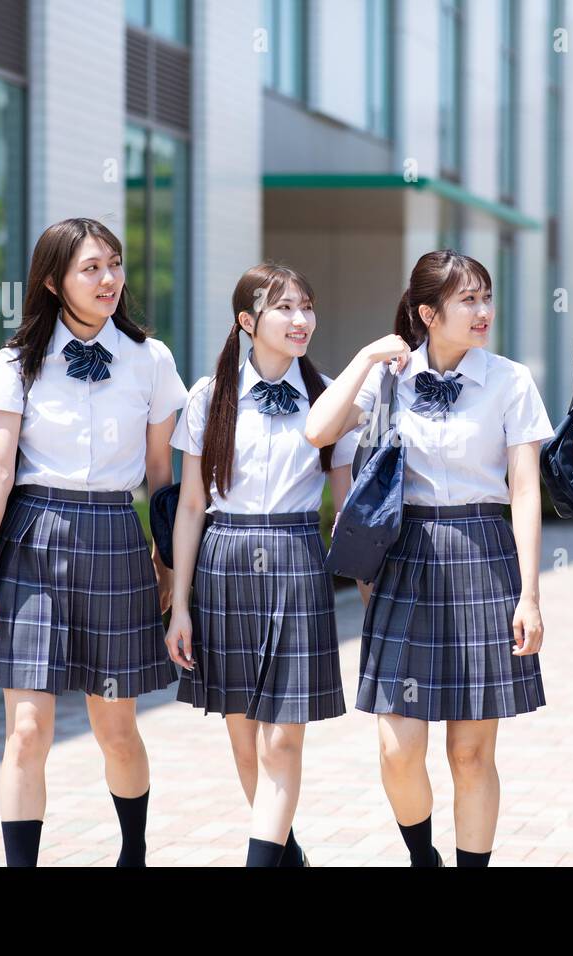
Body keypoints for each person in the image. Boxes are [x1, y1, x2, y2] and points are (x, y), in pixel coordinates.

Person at [305, 250, 553, 867]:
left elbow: (524, 489)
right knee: (397, 748)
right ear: (427, 312)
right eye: (467, 299)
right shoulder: (389, 377)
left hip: (482, 556)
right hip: (406, 560)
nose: (483, 311)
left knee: (470, 755)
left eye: (485, 297)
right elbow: (318, 430)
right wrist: (365, 357)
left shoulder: (509, 379)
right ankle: (424, 858)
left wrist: (530, 594)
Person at [0, 217, 188, 867]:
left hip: (116, 538)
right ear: (53, 280)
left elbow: (159, 476)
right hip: (32, 539)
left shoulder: (151, 359)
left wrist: (167, 559)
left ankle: (133, 854)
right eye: (91, 267)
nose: (109, 278)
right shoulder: (17, 360)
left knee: (115, 728)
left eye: (115, 264)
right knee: (27, 729)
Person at [164, 263, 357, 867]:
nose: (301, 320)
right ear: (248, 322)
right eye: (284, 309)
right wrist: (181, 606)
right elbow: (192, 505)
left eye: (307, 306)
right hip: (224, 562)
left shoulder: (329, 397)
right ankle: (286, 857)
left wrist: (373, 583)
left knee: (282, 740)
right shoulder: (208, 398)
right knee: (245, 738)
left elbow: (346, 505)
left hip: (298, 560)